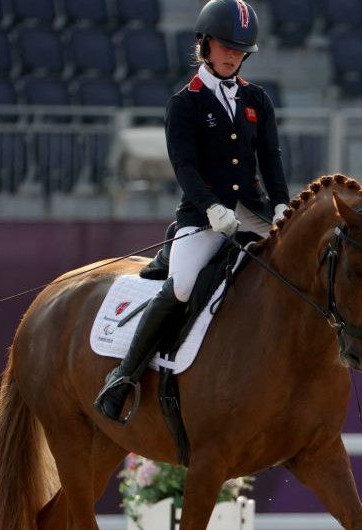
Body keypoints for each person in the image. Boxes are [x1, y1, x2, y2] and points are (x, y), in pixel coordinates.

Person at [94, 0, 290, 424]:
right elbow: (184, 167)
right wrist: (212, 207)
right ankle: (123, 376)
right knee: (182, 286)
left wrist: (279, 206)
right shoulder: (185, 102)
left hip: (253, 212)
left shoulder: (257, 98)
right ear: (204, 44)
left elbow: (270, 159)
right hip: (203, 215)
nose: (233, 55)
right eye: (225, 46)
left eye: (241, 50)